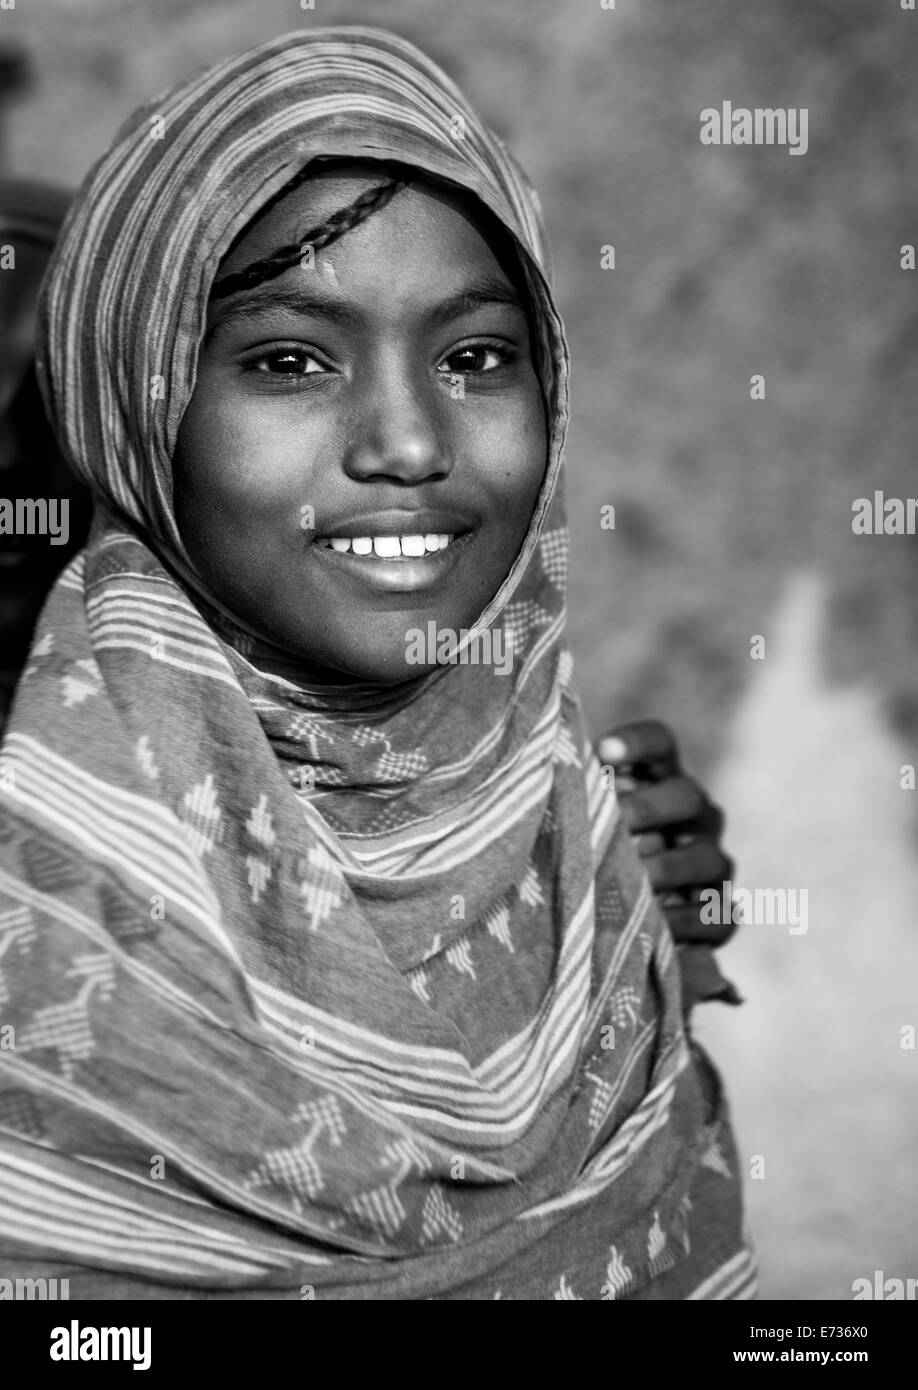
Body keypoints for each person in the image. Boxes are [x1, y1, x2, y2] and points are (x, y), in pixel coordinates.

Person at [0, 26, 753, 1299]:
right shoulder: (47, 908)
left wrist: (603, 927)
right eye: (290, 359)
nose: (409, 441)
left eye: (475, 357)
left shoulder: (584, 835)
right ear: (139, 411)